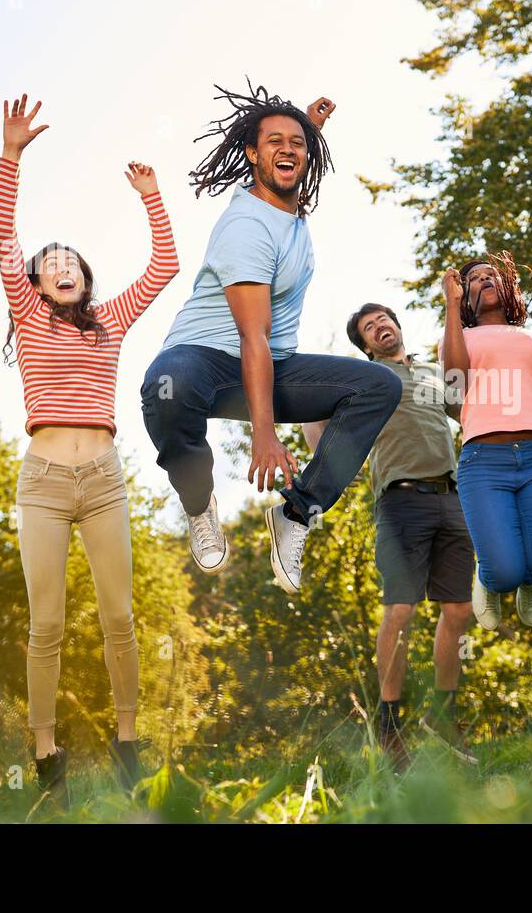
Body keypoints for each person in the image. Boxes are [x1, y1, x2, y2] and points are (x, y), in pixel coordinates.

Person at [0, 94, 180, 803]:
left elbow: (164, 266)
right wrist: (11, 155)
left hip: (102, 478)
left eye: (73, 259)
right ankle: (46, 751)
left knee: (120, 616)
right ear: (36, 282)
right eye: (51, 262)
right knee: (47, 622)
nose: (62, 264)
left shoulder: (107, 321)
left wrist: (152, 197)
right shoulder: (29, 315)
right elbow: (2, 234)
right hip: (42, 480)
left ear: (83, 276)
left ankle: (128, 739)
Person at [140, 82, 401, 593]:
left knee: (379, 386)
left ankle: (297, 514)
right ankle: (199, 505)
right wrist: (264, 433)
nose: (289, 150)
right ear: (251, 154)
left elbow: (286, 165)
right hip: (208, 361)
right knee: (165, 387)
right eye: (274, 143)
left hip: (273, 366)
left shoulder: (289, 206)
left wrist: (306, 128)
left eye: (297, 144)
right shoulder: (245, 226)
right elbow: (251, 335)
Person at [305, 304, 476, 769]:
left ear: (398, 327)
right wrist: (320, 443)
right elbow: (315, 424)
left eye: (384, 320)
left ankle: (442, 713)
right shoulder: (365, 382)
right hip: (400, 501)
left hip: (453, 496)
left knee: (459, 610)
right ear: (364, 346)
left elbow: (470, 414)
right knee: (401, 609)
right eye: (368, 327)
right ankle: (389, 723)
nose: (380, 327)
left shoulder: (430, 372)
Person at [439, 253, 532, 633]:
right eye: (473, 280)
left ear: (509, 289)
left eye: (491, 276)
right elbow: (454, 381)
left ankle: (531, 579)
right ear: (464, 297)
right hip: (483, 462)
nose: (483, 280)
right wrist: (451, 306)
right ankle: (489, 580)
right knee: (502, 572)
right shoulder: (458, 336)